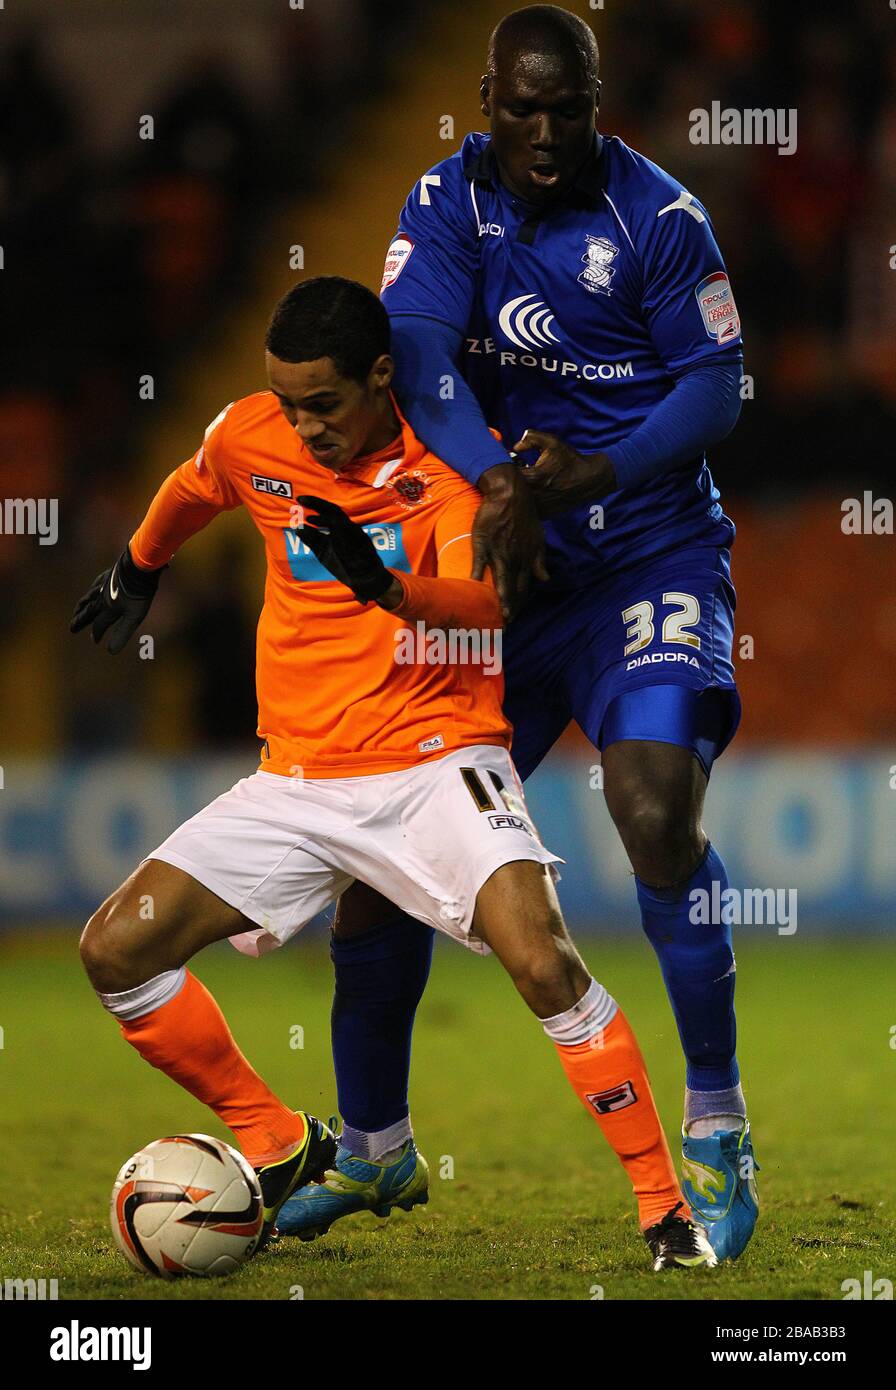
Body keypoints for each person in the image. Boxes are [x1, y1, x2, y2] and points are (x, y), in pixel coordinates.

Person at [71, 275, 715, 1270]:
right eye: (286, 403)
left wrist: (384, 587)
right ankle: (281, 1143)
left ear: (380, 377)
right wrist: (141, 564)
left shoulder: (447, 469)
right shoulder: (254, 435)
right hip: (294, 782)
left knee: (542, 961)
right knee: (115, 949)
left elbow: (484, 601)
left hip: (436, 763)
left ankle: (662, 1208)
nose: (302, 426)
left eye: (322, 404)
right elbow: (195, 483)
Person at [281, 6, 757, 1263]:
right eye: (520, 109)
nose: (544, 135)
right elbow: (421, 361)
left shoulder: (659, 221)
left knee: (653, 810)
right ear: (485, 98)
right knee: (377, 868)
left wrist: (587, 473)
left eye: (569, 109)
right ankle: (376, 1149)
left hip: (643, 555)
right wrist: (503, 482)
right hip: (503, 575)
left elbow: (718, 385)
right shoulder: (444, 207)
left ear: (597, 99)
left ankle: (713, 1119)